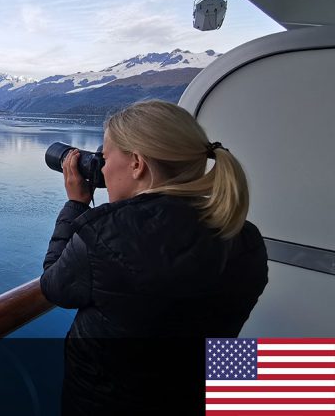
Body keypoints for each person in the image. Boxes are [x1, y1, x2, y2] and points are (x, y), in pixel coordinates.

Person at [40, 100, 268, 415]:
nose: (101, 169)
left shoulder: (105, 234)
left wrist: (76, 205)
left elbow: (53, 286)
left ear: (137, 163)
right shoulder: (243, 235)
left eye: (106, 158)